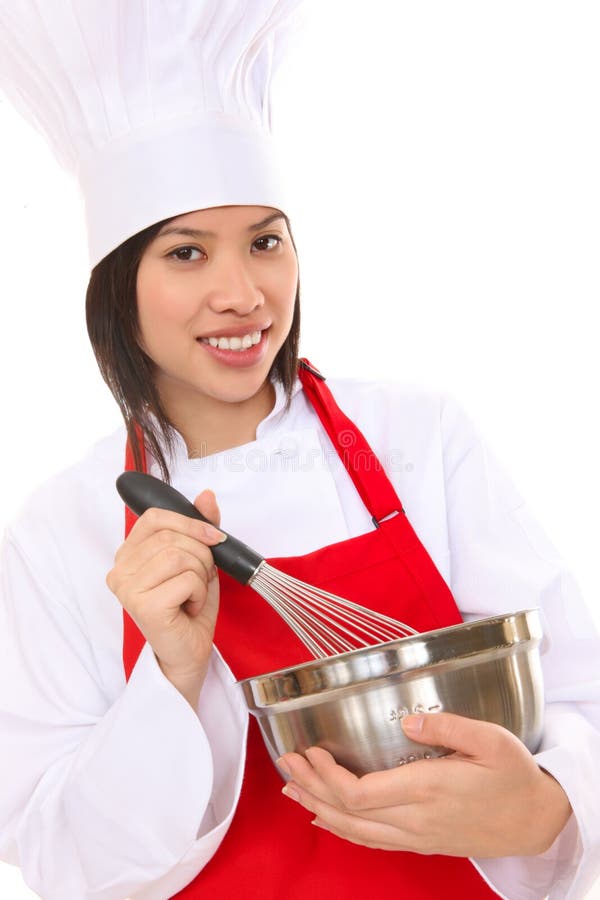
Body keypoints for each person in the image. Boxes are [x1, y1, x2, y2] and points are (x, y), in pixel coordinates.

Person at [0, 3, 599, 899]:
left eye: (266, 243)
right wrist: (171, 671)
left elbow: (579, 690)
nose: (241, 295)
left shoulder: (420, 439)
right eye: (188, 253)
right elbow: (58, 861)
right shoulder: (63, 527)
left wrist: (550, 806)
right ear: (118, 286)